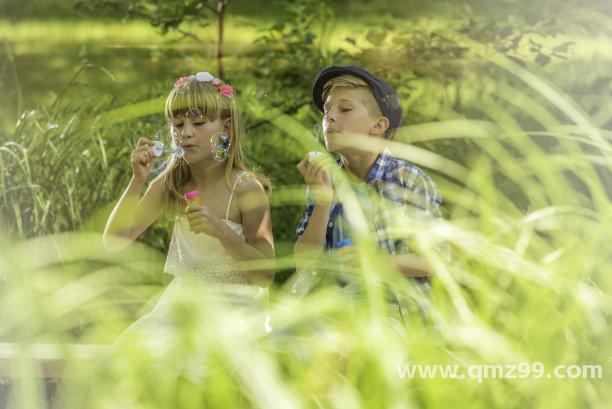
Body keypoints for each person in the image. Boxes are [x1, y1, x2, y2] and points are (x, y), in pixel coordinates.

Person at [101, 71, 275, 385]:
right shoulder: (171, 182)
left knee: (191, 371)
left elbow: (265, 274)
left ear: (225, 127)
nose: (186, 134)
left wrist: (220, 230)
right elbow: (114, 241)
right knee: (121, 362)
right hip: (182, 305)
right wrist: (137, 181)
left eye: (197, 123)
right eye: (178, 125)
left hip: (235, 309)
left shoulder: (245, 188)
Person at [293, 65, 444, 298]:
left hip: (394, 313)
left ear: (378, 125)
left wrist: (373, 262)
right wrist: (323, 200)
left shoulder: (409, 180)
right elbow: (304, 264)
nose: (329, 117)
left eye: (344, 109)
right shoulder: (325, 180)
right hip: (334, 313)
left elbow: (433, 259)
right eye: (326, 111)